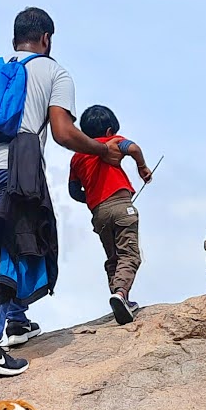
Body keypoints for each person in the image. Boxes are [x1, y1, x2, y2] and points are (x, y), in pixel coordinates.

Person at [0, 7, 123, 376]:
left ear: (14, 38)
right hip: (15, 167)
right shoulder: (54, 71)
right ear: (46, 39)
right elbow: (63, 133)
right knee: (11, 246)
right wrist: (101, 151)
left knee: (20, 235)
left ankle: (17, 321)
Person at [69, 104, 153, 325]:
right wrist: (142, 167)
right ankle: (121, 294)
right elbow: (133, 148)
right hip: (121, 206)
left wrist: (92, 198)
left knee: (114, 257)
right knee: (129, 254)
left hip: (99, 213)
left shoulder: (77, 157)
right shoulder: (112, 141)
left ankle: (119, 298)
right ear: (109, 131)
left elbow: (73, 191)